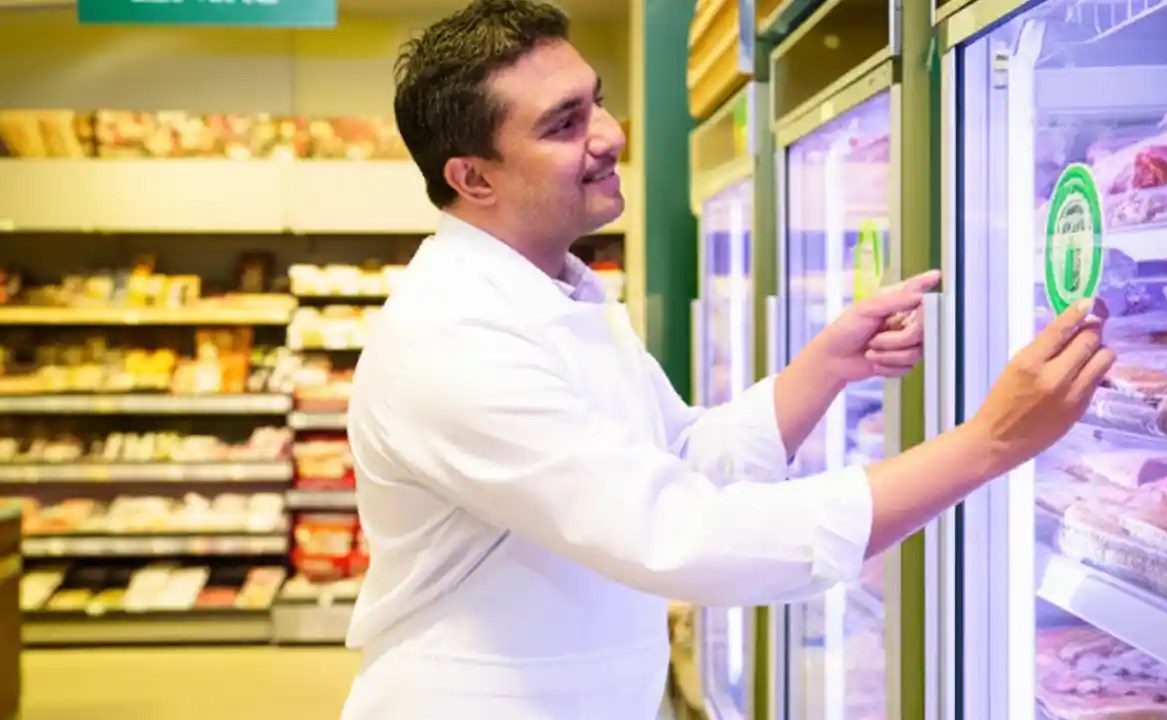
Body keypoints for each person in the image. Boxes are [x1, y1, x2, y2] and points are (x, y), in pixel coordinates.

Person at [339, 1, 1115, 718]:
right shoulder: (453, 339)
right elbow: (681, 534)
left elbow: (677, 458)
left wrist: (822, 367)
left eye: (598, 100)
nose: (609, 134)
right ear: (473, 178)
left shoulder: (560, 293)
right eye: (564, 124)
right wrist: (987, 444)